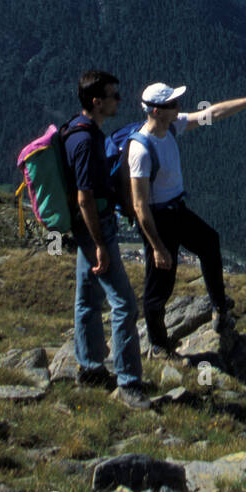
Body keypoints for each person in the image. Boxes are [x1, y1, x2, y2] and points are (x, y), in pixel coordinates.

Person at [129, 81, 246, 359]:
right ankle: (158, 346)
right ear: (155, 111)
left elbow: (211, 113)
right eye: (172, 104)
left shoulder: (171, 127)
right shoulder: (140, 150)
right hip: (158, 220)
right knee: (159, 286)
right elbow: (140, 205)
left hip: (177, 210)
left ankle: (219, 309)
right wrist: (157, 246)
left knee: (209, 242)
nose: (178, 107)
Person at [63, 70, 149, 409]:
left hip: (86, 228)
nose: (120, 100)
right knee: (124, 304)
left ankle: (90, 368)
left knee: (87, 298)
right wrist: (100, 243)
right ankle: (128, 382)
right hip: (97, 227)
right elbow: (85, 197)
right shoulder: (86, 141)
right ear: (97, 101)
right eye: (114, 95)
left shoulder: (76, 129)